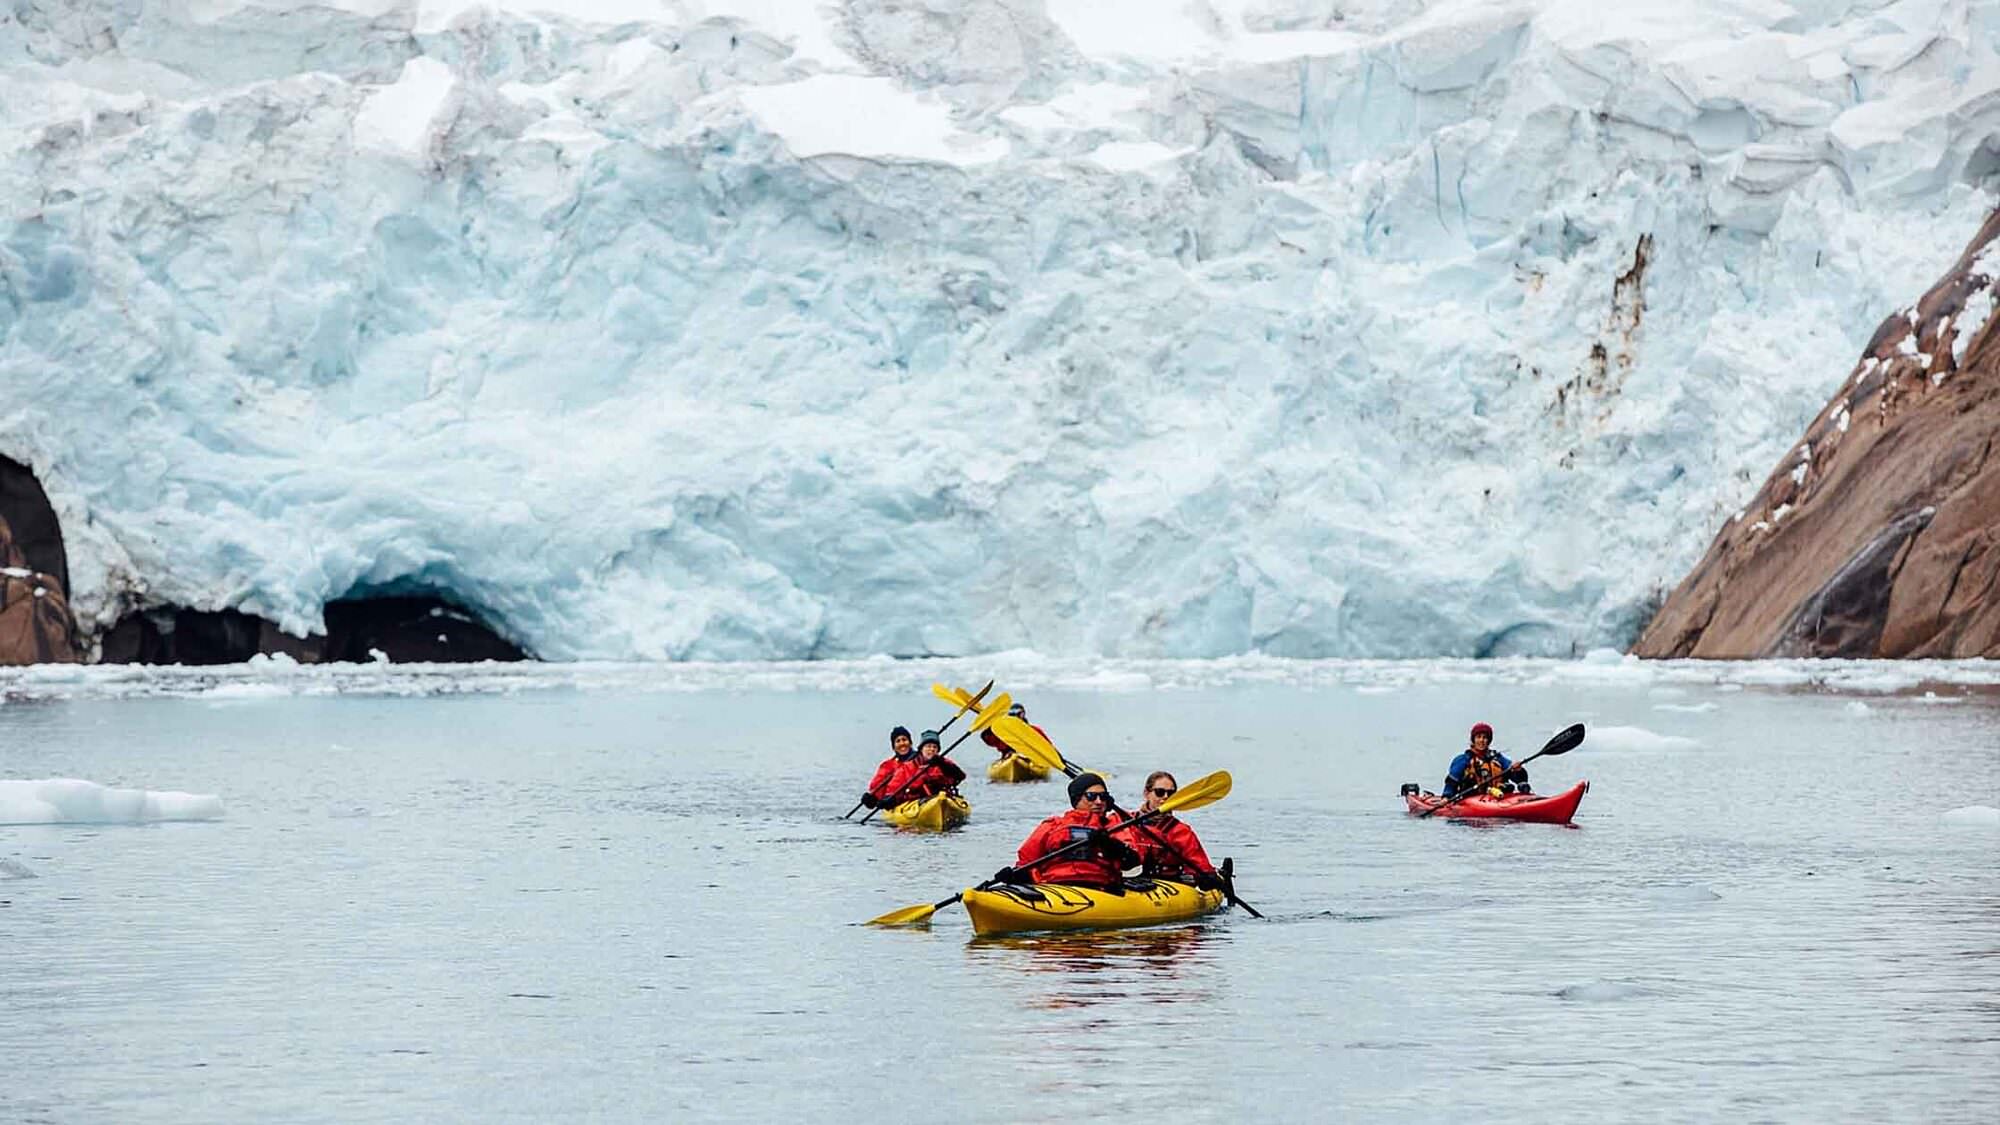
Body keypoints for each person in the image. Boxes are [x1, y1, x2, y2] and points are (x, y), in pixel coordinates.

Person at [994, 773, 1141, 888]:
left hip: (1100, 887)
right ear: (1076, 799)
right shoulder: (1053, 825)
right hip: (1055, 886)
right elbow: (1027, 861)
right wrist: (1015, 876)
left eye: (1103, 797)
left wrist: (1108, 843)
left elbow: (1132, 861)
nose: (1098, 801)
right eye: (1091, 796)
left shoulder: (1113, 825)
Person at [1112, 771, 1222, 890]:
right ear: (1146, 794)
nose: (1165, 797)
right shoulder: (1121, 820)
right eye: (1160, 792)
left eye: (1171, 793)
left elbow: (1200, 864)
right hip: (1129, 880)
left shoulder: (1181, 831)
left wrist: (1206, 877)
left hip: (1168, 881)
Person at [1443, 722, 1529, 798]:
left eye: (1485, 737)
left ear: (1488, 741)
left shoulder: (1498, 758)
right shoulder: (1463, 760)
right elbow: (1451, 782)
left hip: (1498, 796)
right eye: (1478, 737)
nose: (1481, 740)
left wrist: (1518, 770)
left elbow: (1519, 779)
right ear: (1473, 740)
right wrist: (1446, 797)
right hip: (1471, 800)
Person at [882, 729, 966, 806]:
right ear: (921, 749)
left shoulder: (943, 762)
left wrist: (942, 764)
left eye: (935, 747)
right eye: (928, 746)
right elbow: (895, 785)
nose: (932, 749)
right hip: (917, 801)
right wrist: (890, 797)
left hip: (942, 798)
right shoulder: (907, 767)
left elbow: (960, 776)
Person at [859, 726, 918, 809]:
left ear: (910, 743)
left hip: (919, 798)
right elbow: (878, 784)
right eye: (898, 741)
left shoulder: (921, 759)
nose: (902, 743)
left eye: (904, 740)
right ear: (893, 747)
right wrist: (874, 798)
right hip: (900, 803)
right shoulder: (888, 765)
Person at [980, 702, 1049, 761]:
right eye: (1012, 714)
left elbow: (1048, 745)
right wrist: (990, 728)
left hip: (1029, 759)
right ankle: (1011, 756)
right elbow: (988, 739)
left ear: (1023, 714)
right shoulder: (1002, 732)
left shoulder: (1034, 730)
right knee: (1011, 756)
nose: (1015, 716)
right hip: (1008, 758)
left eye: (1018, 713)